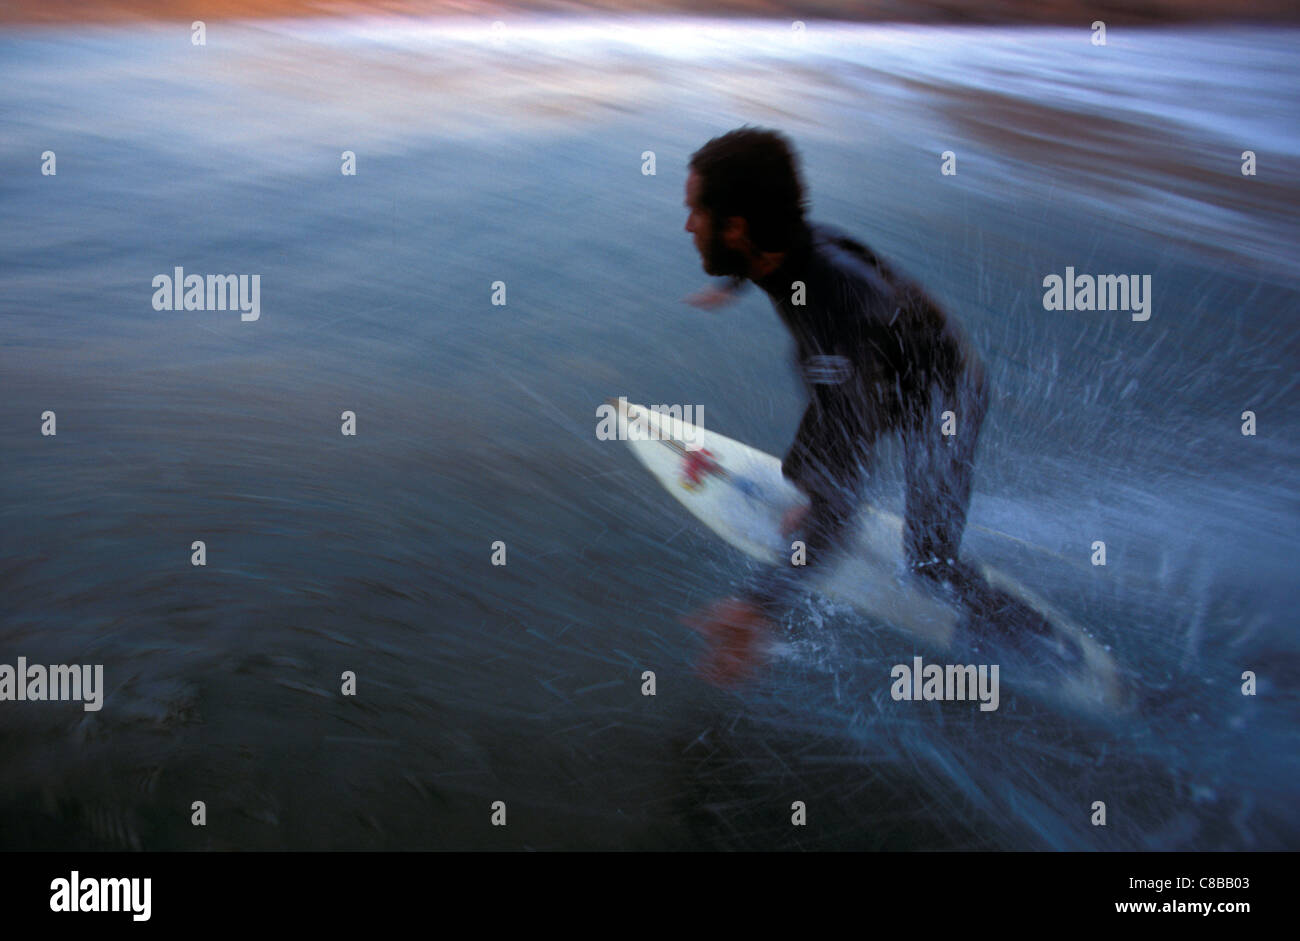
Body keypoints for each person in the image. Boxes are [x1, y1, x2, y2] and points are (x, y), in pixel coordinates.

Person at [680, 126, 993, 687]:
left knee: (925, 562)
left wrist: (760, 606)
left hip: (945, 393)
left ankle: (1013, 635)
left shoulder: (835, 311)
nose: (687, 227)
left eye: (696, 214)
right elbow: (766, 257)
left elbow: (847, 487)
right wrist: (730, 285)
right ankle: (815, 500)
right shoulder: (779, 246)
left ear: (737, 227)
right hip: (880, 364)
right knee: (816, 453)